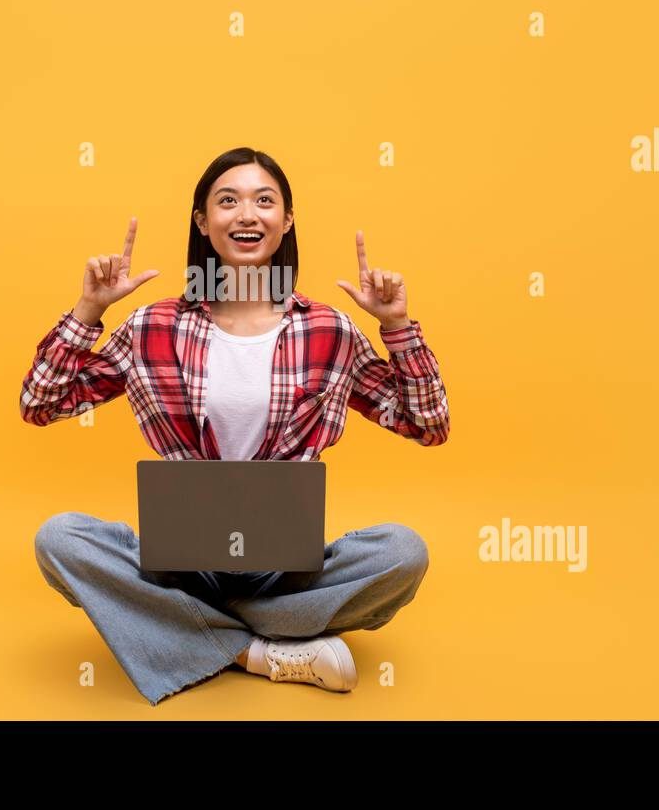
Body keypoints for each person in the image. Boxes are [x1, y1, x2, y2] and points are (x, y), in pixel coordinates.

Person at [22, 146, 451, 706]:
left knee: (403, 552)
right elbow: (42, 404)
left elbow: (427, 424)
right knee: (61, 540)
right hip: (179, 567)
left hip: (284, 571)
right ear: (202, 222)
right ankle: (261, 651)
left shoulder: (329, 329)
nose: (246, 214)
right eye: (228, 201)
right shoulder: (152, 325)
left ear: (286, 221)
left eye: (263, 201)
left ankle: (191, 629)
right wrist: (87, 311)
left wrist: (397, 328)